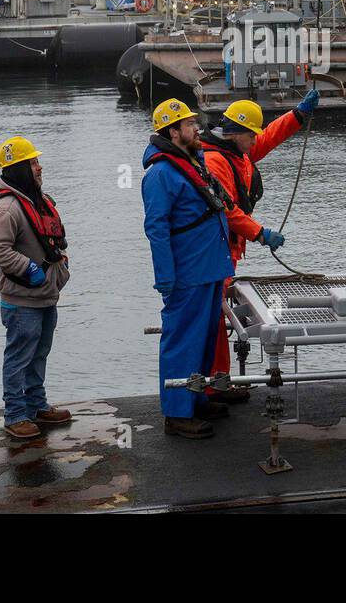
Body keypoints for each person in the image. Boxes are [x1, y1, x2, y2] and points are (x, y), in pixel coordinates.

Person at [200, 91, 319, 403]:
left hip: (227, 249)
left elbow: (267, 138)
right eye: (251, 135)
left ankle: (218, 381)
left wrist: (298, 116)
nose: (256, 141)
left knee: (216, 314)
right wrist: (261, 233)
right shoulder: (216, 161)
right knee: (213, 317)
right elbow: (226, 210)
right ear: (238, 134)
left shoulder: (235, 151)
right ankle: (215, 386)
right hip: (217, 249)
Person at [141, 99, 234, 439]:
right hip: (188, 273)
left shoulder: (194, 163)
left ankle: (196, 397)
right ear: (173, 131)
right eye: (189, 124)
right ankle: (177, 413)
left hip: (209, 268)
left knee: (206, 337)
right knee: (182, 340)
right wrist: (165, 277)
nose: (197, 128)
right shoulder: (161, 174)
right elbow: (157, 228)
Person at [0, 136, 73, 441]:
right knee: (19, 356)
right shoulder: (7, 210)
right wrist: (29, 269)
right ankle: (15, 414)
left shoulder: (40, 201)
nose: (39, 167)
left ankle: (37, 406)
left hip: (45, 296)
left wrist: (59, 269)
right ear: (20, 169)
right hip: (22, 300)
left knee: (40, 353)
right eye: (33, 163)